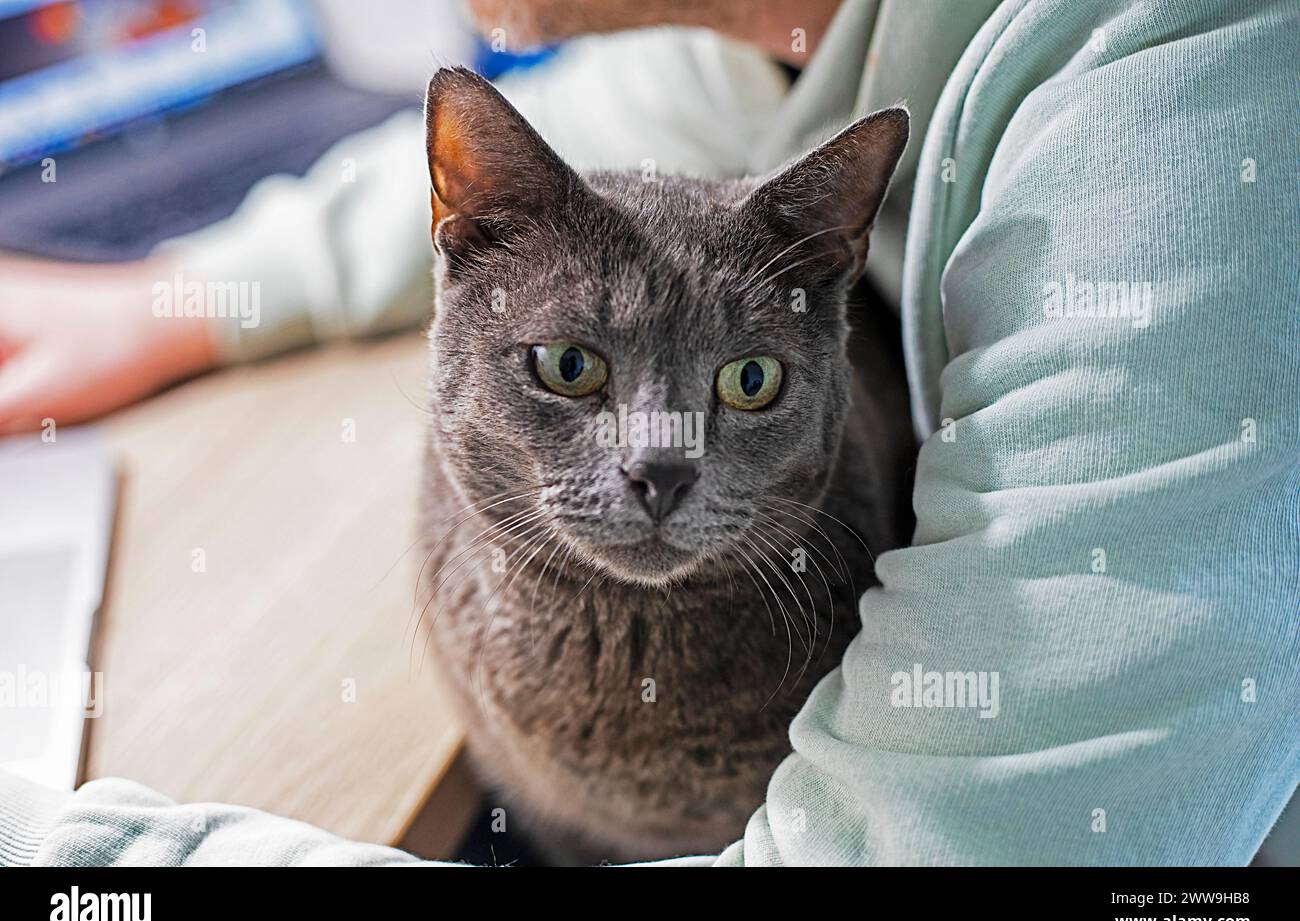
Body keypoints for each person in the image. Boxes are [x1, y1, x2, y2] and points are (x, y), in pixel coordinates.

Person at [1, 0, 1296, 865]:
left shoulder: (1194, 134)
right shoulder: (788, 31)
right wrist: (185, 301)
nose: (658, 461)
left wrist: (74, 854)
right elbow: (616, 135)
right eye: (568, 369)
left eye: (743, 390)